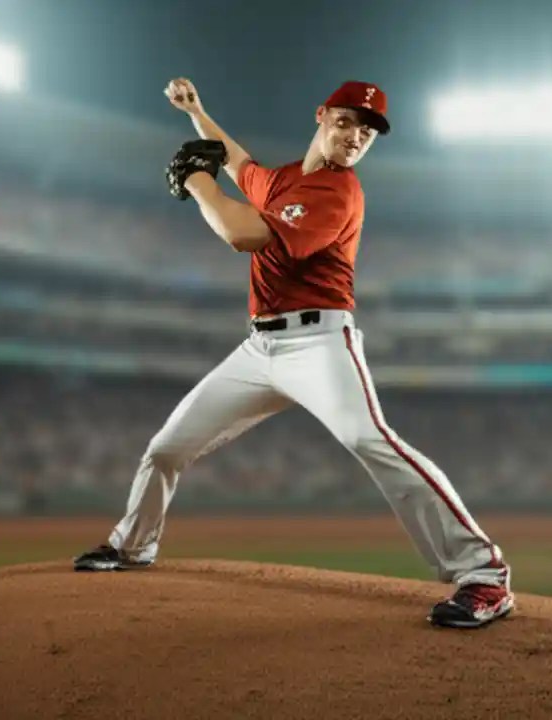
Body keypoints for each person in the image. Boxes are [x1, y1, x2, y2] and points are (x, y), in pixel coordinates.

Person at [72, 77, 513, 630]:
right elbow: (238, 163)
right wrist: (196, 113)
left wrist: (198, 183)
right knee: (166, 448)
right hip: (260, 348)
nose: (357, 136)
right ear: (322, 115)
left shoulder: (336, 193)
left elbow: (238, 233)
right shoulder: (283, 180)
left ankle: (484, 575)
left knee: (367, 438)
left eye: (370, 130)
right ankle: (133, 544)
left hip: (321, 344)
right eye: (348, 121)